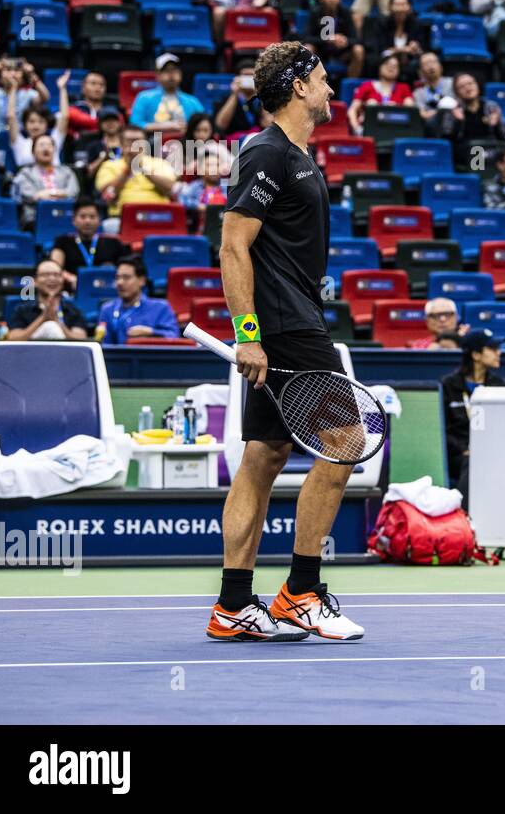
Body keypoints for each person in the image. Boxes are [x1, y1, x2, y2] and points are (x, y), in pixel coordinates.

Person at [207, 40, 364, 643]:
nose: (331, 89)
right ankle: (301, 591)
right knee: (346, 437)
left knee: (264, 456)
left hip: (291, 320)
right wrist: (249, 335)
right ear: (298, 87)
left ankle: (233, 604)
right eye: (323, 79)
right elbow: (232, 246)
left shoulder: (297, 156)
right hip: (285, 324)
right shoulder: (267, 153)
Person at [440, 328, 505, 501]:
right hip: (458, 455)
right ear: (476, 355)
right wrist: (464, 449)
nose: (498, 353)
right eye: (492, 349)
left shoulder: (499, 385)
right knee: (473, 463)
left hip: (493, 452)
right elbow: (442, 428)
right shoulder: (449, 384)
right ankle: (463, 516)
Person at [95, 123, 179, 219]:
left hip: (158, 216)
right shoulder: (109, 165)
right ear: (121, 144)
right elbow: (107, 195)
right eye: (130, 141)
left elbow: (170, 188)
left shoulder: (159, 163)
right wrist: (128, 169)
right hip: (122, 217)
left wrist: (141, 167)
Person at [95, 256, 180, 346]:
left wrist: (151, 332)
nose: (119, 282)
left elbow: (173, 337)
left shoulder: (161, 308)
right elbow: (103, 345)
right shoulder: (107, 309)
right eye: (117, 278)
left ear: (142, 281)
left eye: (126, 277)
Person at [50, 198, 128, 289]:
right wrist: (73, 279)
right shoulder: (62, 241)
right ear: (74, 220)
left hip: (106, 288)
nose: (87, 221)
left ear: (99, 220)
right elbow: (54, 268)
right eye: (82, 217)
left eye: (92, 217)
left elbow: (126, 270)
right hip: (73, 288)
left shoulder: (113, 242)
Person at [5, 259, 90, 342]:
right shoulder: (21, 310)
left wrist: (57, 321)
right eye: (45, 275)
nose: (52, 279)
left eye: (57, 275)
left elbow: (81, 339)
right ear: (35, 281)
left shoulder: (73, 310)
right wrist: (43, 318)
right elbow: (13, 339)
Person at [11, 133, 79, 229]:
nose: (46, 148)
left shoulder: (66, 172)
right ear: (33, 151)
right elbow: (29, 195)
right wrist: (61, 194)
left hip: (65, 215)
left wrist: (47, 194)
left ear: (55, 150)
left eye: (49, 145)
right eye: (41, 145)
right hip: (35, 217)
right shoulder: (25, 173)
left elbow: (72, 193)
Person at [437, 73, 505, 163]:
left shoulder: (491, 107)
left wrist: (495, 125)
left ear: (477, 85)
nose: (467, 88)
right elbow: (447, 142)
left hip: (489, 151)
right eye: (462, 86)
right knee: (477, 157)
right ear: (456, 92)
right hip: (466, 154)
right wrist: (458, 122)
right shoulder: (454, 110)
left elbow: (503, 139)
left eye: (470, 83)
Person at [130, 54, 204, 136]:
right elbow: (135, 125)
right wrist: (164, 127)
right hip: (153, 142)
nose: (171, 74)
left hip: (185, 143)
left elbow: (203, 124)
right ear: (157, 75)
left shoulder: (192, 101)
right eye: (166, 71)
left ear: (180, 74)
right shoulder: (144, 97)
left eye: (175, 70)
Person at [305, 0, 365, 79]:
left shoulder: (346, 13)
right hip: (321, 52)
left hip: (343, 54)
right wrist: (328, 39)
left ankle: (351, 84)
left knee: (359, 50)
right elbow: (307, 38)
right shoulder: (315, 13)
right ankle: (312, 83)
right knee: (308, 48)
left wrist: (345, 40)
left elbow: (356, 39)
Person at [361, 0, 423, 79]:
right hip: (384, 62)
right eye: (397, 5)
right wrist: (401, 50)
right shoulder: (382, 23)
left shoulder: (416, 24)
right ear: (390, 7)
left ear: (409, 7)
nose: (400, 9)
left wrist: (416, 48)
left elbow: (421, 50)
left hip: (408, 65)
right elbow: (379, 50)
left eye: (404, 5)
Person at [347, 53, 413, 135]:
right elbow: (352, 110)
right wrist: (357, 129)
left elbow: (411, 110)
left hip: (397, 130)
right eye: (387, 64)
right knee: (372, 103)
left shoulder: (404, 88)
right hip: (369, 130)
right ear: (379, 66)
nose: (391, 67)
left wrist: (396, 108)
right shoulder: (366, 85)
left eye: (395, 66)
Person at [410, 52, 452, 123]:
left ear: (441, 66)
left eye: (433, 62)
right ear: (421, 71)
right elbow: (422, 114)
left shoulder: (452, 83)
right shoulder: (418, 93)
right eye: (426, 64)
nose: (430, 66)